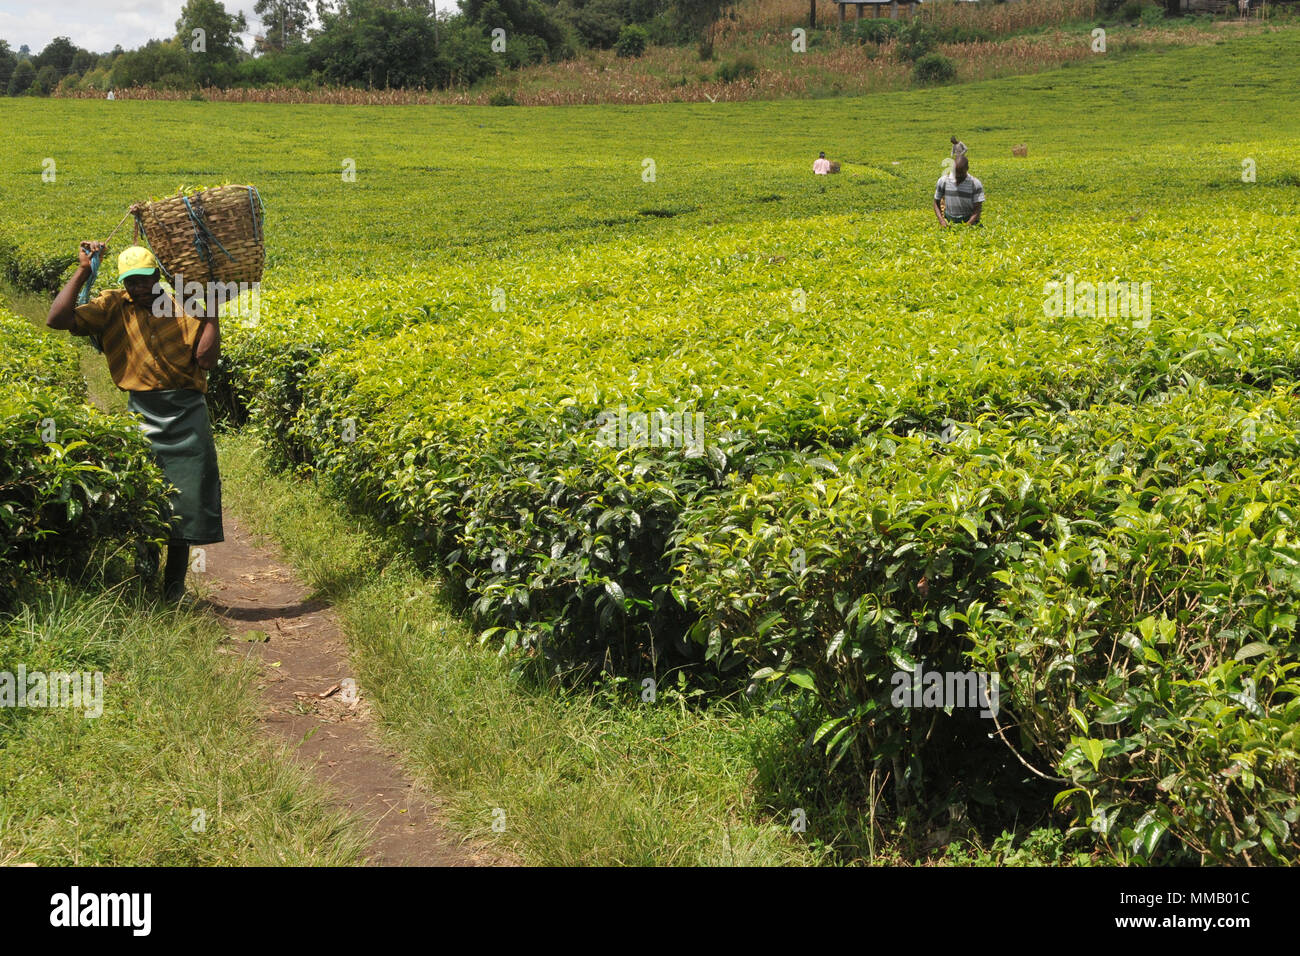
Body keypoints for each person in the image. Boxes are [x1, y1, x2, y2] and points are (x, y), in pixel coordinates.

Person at [46, 243, 224, 602]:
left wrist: (213, 313)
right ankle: (145, 582)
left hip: (187, 411)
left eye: (145, 280)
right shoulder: (112, 305)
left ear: (158, 276)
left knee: (183, 505)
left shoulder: (182, 304)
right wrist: (82, 270)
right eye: (132, 283)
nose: (140, 289)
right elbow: (57, 320)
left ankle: (174, 589)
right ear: (123, 283)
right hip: (142, 413)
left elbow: (206, 360)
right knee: (147, 501)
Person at [934, 155, 984, 227]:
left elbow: (978, 208)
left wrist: (968, 224)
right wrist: (941, 220)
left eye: (961, 173)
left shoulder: (975, 184)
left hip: (969, 220)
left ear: (967, 169)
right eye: (956, 173)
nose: (958, 176)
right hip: (949, 220)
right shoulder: (943, 181)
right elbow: (936, 202)